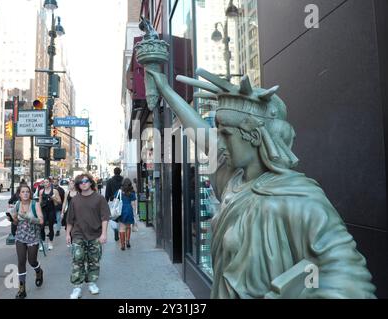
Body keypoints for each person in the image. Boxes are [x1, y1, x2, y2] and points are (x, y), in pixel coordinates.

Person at [145, 67, 376, 298]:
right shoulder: (233, 180)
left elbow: (350, 282)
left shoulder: (298, 200)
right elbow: (198, 131)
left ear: (254, 137)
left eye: (225, 134)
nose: (218, 144)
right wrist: (166, 89)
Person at [66, 173, 110, 299]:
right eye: (80, 182)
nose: (83, 183)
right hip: (78, 234)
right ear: (78, 185)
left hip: (95, 235)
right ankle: (77, 287)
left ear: (91, 182)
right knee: (77, 260)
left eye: (86, 181)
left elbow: (105, 217)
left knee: (94, 261)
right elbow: (70, 219)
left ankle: (92, 283)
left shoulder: (99, 198)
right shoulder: (75, 200)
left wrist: (104, 234)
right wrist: (67, 234)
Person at [8, 185, 44, 299]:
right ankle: (22, 289)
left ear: (30, 193)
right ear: (19, 194)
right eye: (23, 192)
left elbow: (41, 221)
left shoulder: (35, 204)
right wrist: (12, 218)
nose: (25, 194)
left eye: (27, 192)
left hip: (33, 237)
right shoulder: (17, 205)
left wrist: (28, 217)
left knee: (32, 260)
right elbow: (16, 223)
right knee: (21, 261)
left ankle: (38, 271)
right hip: (20, 236)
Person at [38, 178, 61, 251]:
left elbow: (59, 202)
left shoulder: (54, 191)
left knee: (51, 227)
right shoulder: (41, 191)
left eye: (47, 182)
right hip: (44, 210)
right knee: (42, 226)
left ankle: (50, 242)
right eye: (44, 182)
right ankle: (43, 241)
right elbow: (39, 203)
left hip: (51, 210)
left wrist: (53, 198)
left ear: (50, 183)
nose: (45, 183)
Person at [115, 178, 137, 250]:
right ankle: (127, 241)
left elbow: (115, 201)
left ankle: (122, 245)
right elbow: (133, 204)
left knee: (121, 228)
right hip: (129, 210)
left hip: (121, 210)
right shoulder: (132, 192)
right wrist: (134, 214)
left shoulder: (119, 192)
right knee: (128, 227)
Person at [105, 167, 123, 242]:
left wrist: (105, 202)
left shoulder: (110, 181)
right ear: (120, 172)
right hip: (122, 201)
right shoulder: (123, 180)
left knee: (114, 216)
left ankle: (116, 229)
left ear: (114, 172)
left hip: (114, 202)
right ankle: (121, 231)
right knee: (121, 217)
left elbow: (107, 193)